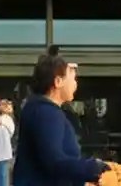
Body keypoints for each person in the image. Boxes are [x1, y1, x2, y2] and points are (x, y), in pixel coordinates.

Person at [13, 45, 110, 186]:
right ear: (58, 82)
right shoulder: (47, 114)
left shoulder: (38, 109)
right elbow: (55, 162)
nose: (76, 85)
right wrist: (93, 168)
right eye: (73, 79)